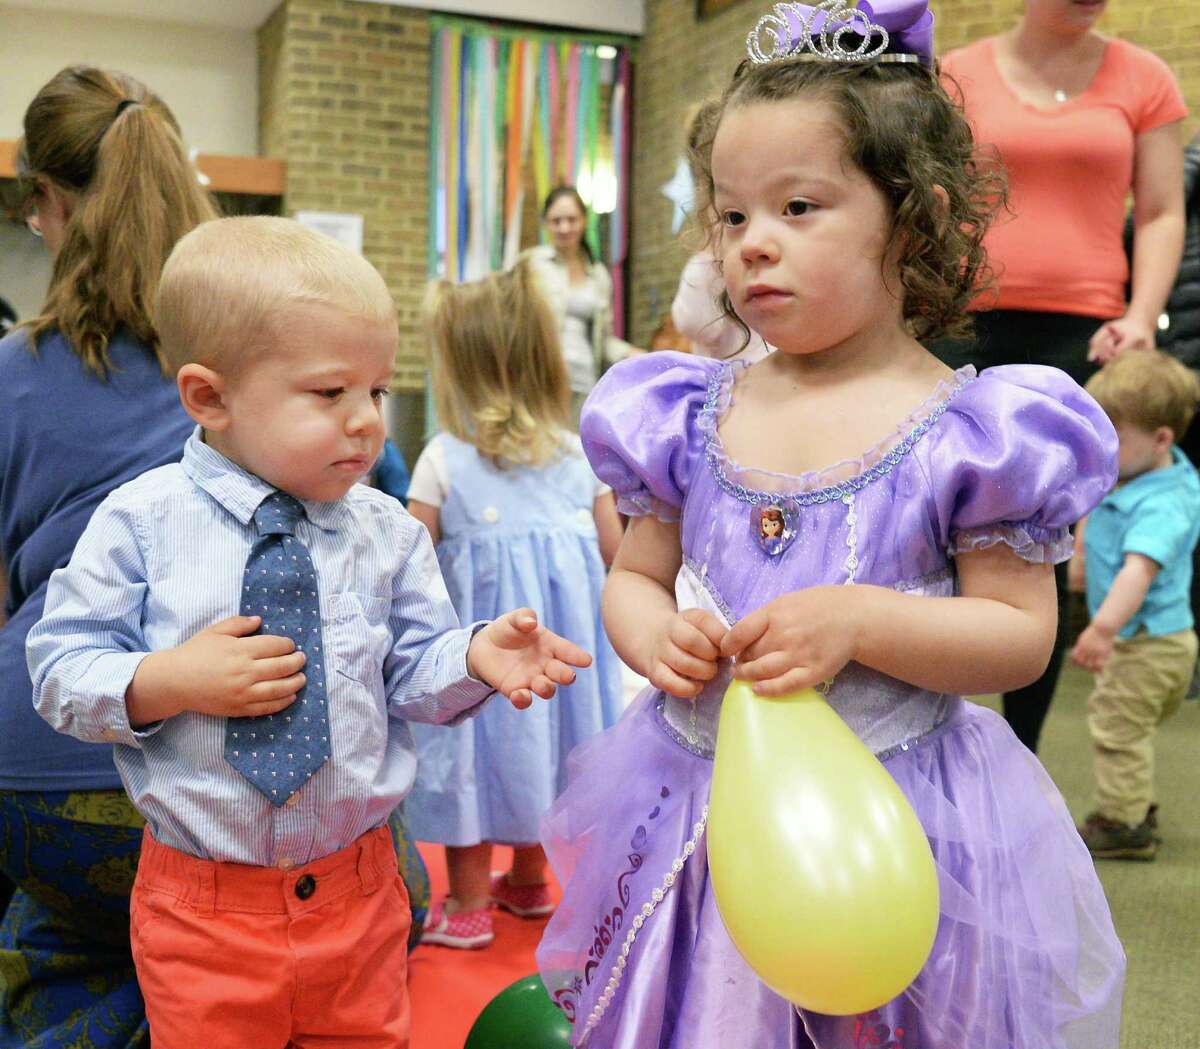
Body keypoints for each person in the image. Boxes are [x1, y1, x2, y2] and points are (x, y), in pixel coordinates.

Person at [536, 5, 1126, 1047]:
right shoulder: (685, 410)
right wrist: (650, 631)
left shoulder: (975, 430)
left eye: (799, 206)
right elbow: (636, 575)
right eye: (730, 217)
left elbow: (1017, 634)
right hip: (707, 815)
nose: (752, 244)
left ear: (916, 216)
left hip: (894, 824)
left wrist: (860, 619)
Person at [26, 216, 591, 1049]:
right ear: (208, 396)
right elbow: (58, 667)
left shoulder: (386, 532)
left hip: (359, 898)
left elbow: (411, 668)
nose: (366, 420)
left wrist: (470, 654)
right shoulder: (142, 522)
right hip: (204, 909)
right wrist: (170, 678)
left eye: (378, 390)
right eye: (331, 393)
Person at [0, 65, 218, 1049]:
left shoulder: (15, 373)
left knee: (59, 927)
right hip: (233, 773)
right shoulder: (263, 359)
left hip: (41, 778)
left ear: (47, 201)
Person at [933, 0, 1187, 752]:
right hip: (961, 327)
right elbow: (926, 196)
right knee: (936, 532)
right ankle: (920, 740)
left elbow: (1164, 209)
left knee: (1039, 548)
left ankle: (1023, 750)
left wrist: (1142, 316)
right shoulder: (957, 74)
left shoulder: (1146, 77)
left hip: (1086, 340)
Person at [403, 261, 625, 949]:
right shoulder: (578, 457)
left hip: (481, 660)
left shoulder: (443, 458)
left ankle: (468, 899)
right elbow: (619, 554)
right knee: (549, 752)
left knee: (471, 749)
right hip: (563, 661)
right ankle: (531, 881)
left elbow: (406, 557)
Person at [1068, 350, 1200, 860]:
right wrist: (1081, 555)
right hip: (1166, 641)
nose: (1104, 446)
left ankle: (1123, 823)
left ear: (1162, 439)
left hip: (1144, 644)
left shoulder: (1162, 505)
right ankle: (1134, 801)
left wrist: (1101, 629)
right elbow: (1097, 509)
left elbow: (1137, 572)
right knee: (1133, 725)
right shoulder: (1151, 473)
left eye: (1116, 436)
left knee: (1116, 727)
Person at [522, 186, 632, 422]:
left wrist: (630, 353)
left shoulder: (599, 275)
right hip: (541, 385)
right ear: (545, 223)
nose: (564, 228)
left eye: (571, 220)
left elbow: (604, 341)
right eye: (556, 221)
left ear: (584, 221)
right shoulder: (531, 265)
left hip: (584, 384)